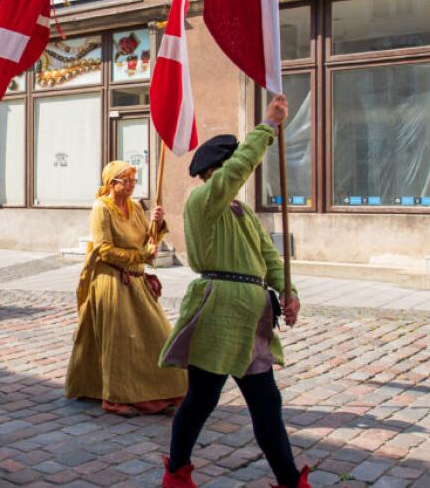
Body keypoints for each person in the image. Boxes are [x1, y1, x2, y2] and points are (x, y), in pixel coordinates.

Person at [159, 95, 310, 488]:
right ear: (217, 170)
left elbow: (269, 259)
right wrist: (267, 127)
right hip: (218, 313)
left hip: (252, 317)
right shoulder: (202, 200)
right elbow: (237, 171)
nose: (239, 175)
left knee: (266, 404)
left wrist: (288, 292)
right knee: (202, 399)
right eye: (231, 167)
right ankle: (176, 472)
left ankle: (290, 481)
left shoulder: (242, 214)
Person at [65, 161, 187, 415]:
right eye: (127, 181)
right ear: (112, 184)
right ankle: (117, 397)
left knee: (158, 334)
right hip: (111, 281)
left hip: (136, 279)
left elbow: (147, 240)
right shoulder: (101, 209)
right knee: (120, 342)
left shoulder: (134, 207)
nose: (132, 185)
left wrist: (158, 225)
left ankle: (162, 390)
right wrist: (140, 256)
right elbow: (104, 250)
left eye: (134, 180)